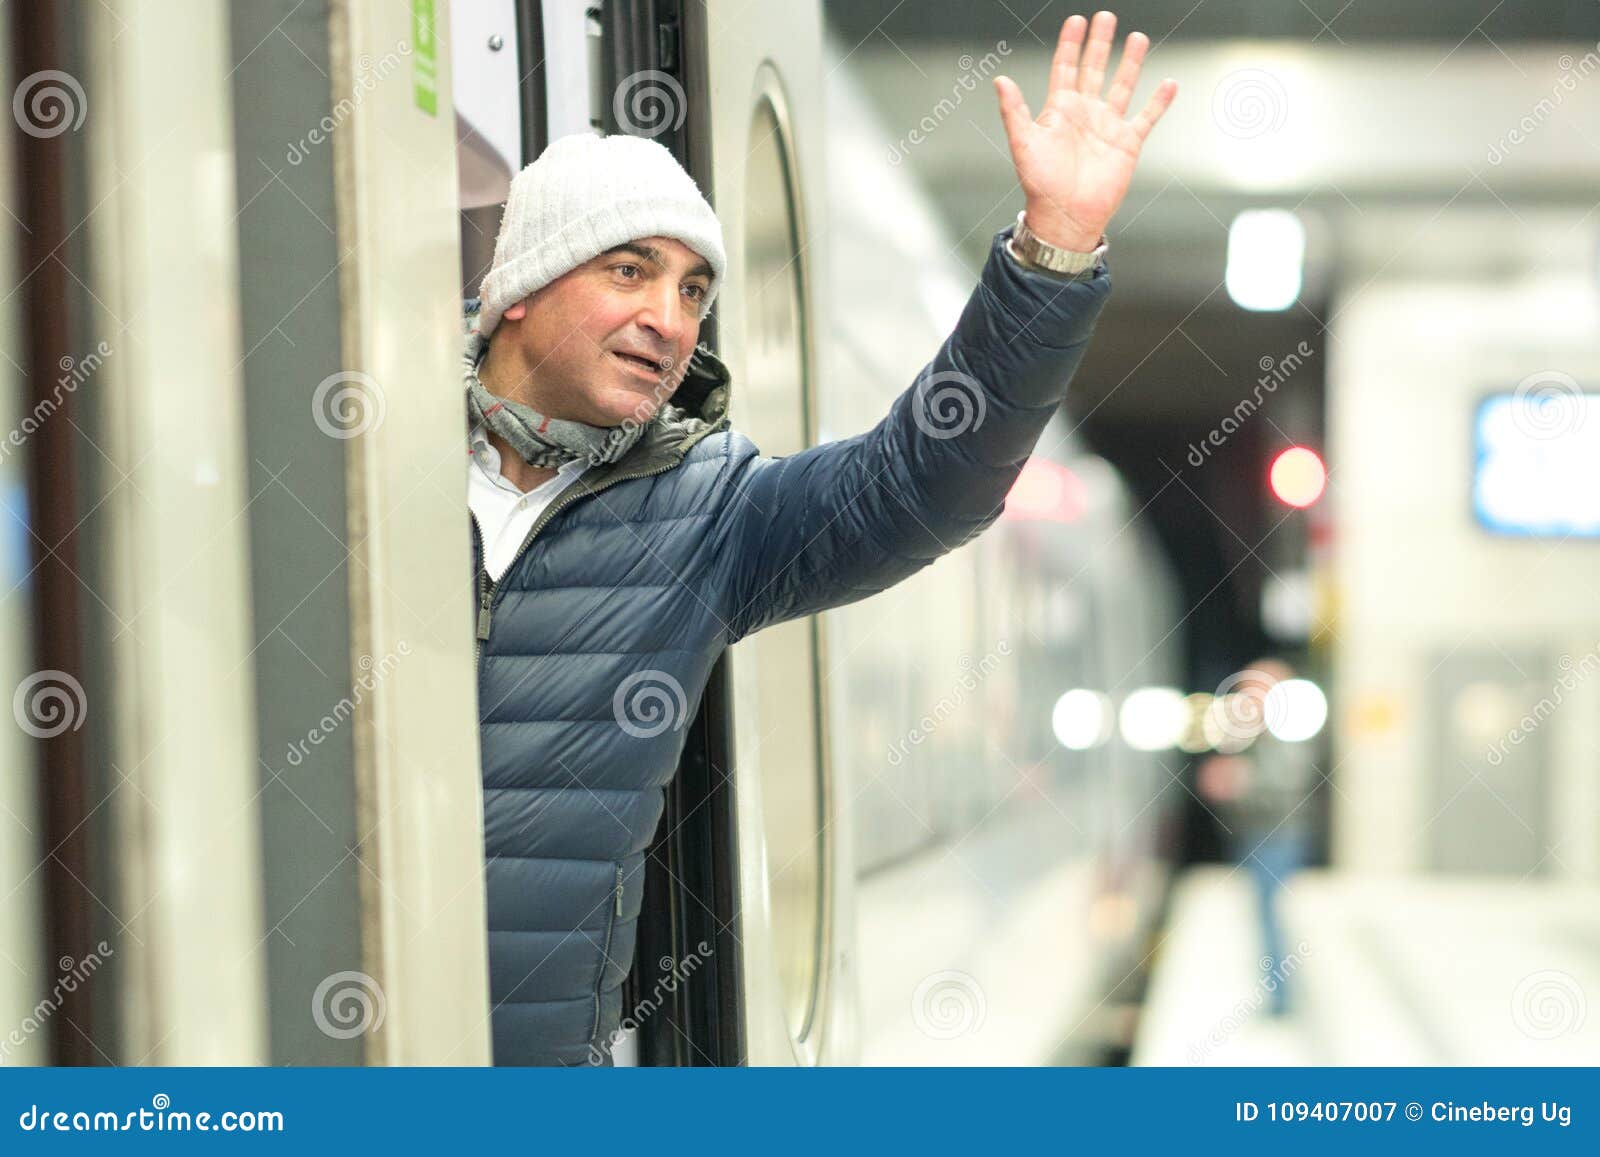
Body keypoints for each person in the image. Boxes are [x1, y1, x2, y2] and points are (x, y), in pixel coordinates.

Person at [464, 12, 1176, 1064]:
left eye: (693, 289)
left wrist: (1053, 251)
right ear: (522, 289)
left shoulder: (705, 511)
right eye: (629, 271)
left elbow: (923, 481)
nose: (669, 317)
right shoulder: (372, 462)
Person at [1197, 660, 1317, 1016]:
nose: (1247, 699)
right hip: (1259, 836)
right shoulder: (1255, 734)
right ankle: (1278, 993)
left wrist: (1240, 780)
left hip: (1277, 838)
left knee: (1271, 914)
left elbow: (1287, 783)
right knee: (1264, 913)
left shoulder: (1288, 730)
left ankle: (1281, 999)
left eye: (1255, 690)